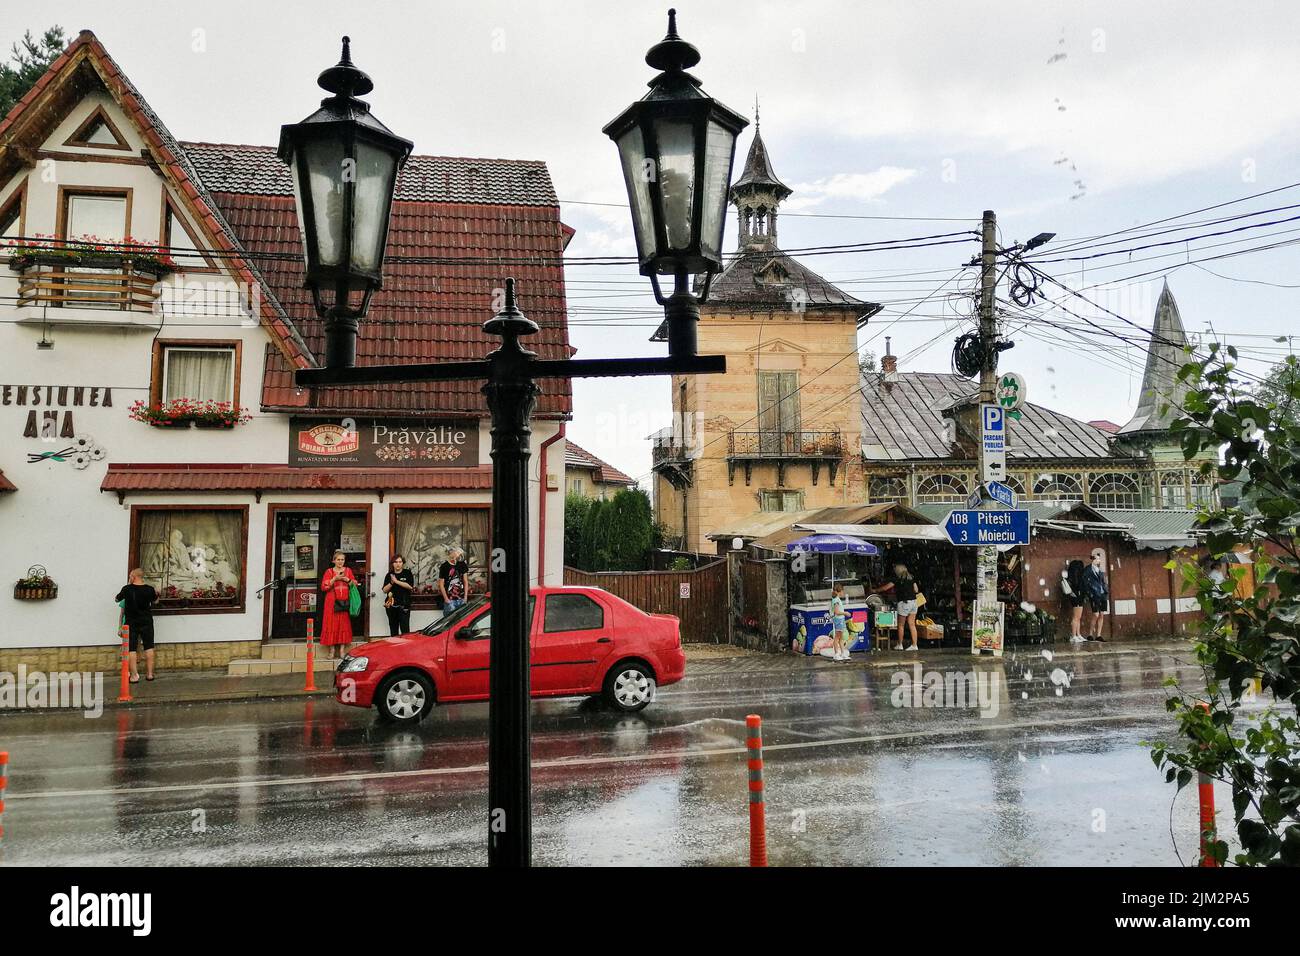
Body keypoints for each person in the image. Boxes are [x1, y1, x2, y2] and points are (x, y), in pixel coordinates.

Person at [115, 568, 158, 682]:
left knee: (132, 649)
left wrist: (129, 585)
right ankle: (149, 675)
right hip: (146, 621)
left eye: (130, 576)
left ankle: (134, 676)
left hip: (131, 622)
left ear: (133, 576)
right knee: (149, 647)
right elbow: (156, 601)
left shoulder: (127, 589)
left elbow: (116, 599)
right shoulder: (149, 589)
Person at [320, 550, 358, 659]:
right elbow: (324, 587)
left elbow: (354, 584)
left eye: (342, 560)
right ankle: (331, 651)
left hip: (344, 602)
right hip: (331, 603)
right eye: (338, 560)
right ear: (334, 561)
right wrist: (334, 579)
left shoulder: (348, 570)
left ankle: (342, 651)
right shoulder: (329, 571)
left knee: (343, 624)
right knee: (330, 624)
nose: (340, 562)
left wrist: (348, 580)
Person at [875, 562, 920, 651]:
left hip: (904, 603)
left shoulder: (897, 579)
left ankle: (900, 644)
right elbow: (916, 590)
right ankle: (914, 645)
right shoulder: (911, 578)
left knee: (901, 625)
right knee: (912, 624)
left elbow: (885, 588)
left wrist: (875, 590)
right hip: (914, 602)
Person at [382, 553, 415, 636]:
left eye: (400, 562)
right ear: (392, 564)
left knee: (405, 630)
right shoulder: (389, 575)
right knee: (393, 630)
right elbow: (384, 590)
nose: (398, 564)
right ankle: (395, 648)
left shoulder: (407, 573)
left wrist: (396, 581)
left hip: (404, 605)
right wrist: (391, 582)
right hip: (391, 606)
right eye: (396, 562)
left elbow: (410, 586)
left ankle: (405, 648)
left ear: (403, 563)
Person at [1083, 548, 1109, 641]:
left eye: (1099, 559)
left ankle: (1098, 635)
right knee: (1096, 614)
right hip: (1094, 594)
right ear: (1093, 559)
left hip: (1102, 594)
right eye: (1097, 559)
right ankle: (1090, 634)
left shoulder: (1101, 569)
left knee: (1102, 614)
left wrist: (1105, 590)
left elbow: (1103, 581)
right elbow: (1085, 583)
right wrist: (1089, 593)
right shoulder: (1087, 569)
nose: (1098, 561)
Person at [439, 546, 470, 618]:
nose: (459, 555)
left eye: (459, 553)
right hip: (450, 600)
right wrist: (446, 599)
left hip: (461, 599)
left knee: (463, 621)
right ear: (452, 553)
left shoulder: (462, 564)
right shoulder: (444, 566)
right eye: (458, 552)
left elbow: (465, 581)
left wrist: (465, 597)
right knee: (449, 622)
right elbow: (441, 584)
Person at [1062, 559, 1087, 643]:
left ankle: (1077, 634)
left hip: (1076, 596)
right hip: (1077, 596)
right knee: (1076, 617)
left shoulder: (1071, 577)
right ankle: (1074, 635)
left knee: (1077, 617)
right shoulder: (1077, 578)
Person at [828, 583, 850, 662]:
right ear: (839, 591)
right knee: (837, 637)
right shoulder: (836, 600)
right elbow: (837, 612)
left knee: (841, 637)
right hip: (839, 620)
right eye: (842, 591)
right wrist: (845, 613)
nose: (843, 593)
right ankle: (836, 654)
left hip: (841, 620)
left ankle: (843, 653)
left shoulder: (836, 599)